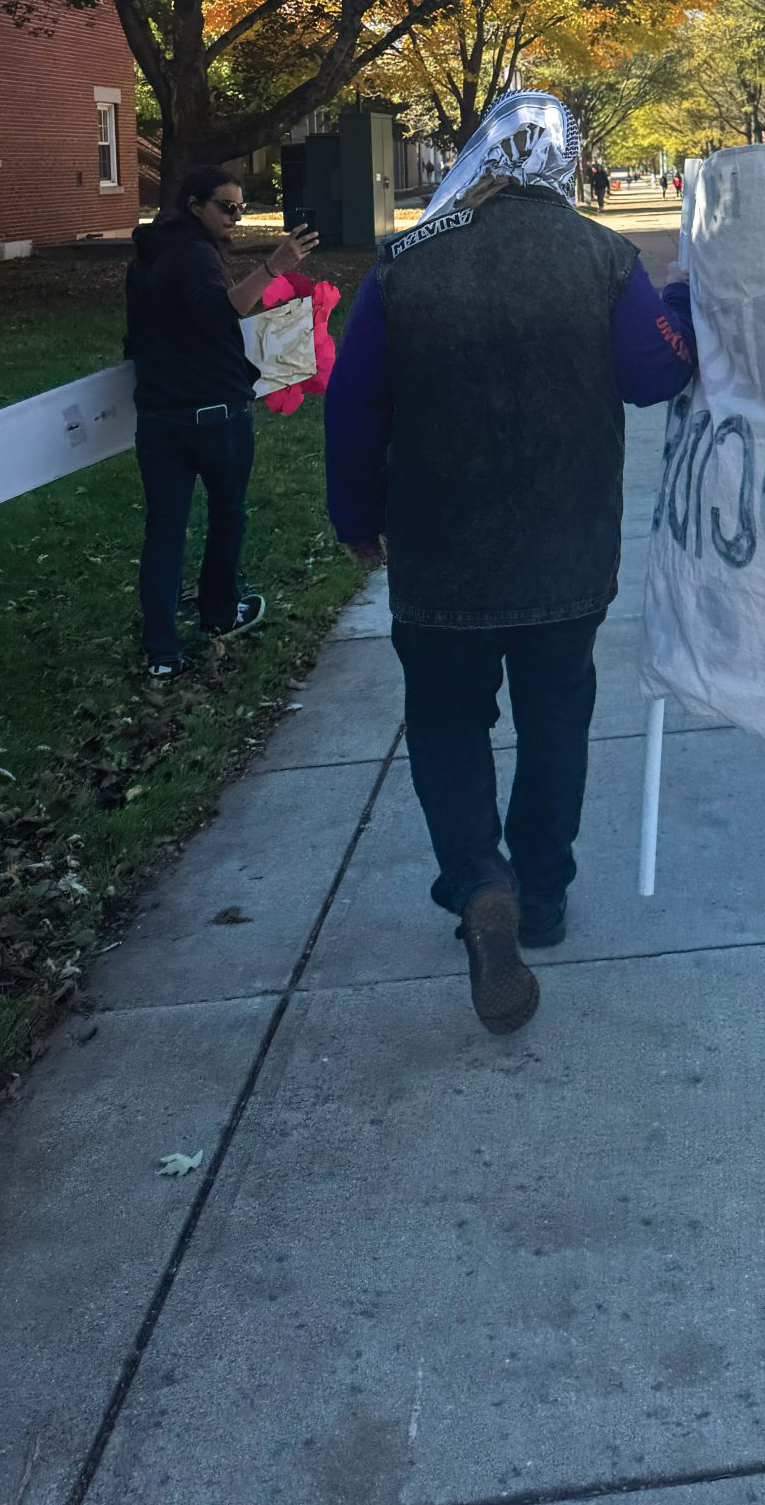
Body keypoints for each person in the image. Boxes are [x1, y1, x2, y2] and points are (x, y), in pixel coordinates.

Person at [322, 93, 697, 1035]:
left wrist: (356, 514)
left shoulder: (406, 263)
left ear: (479, 155)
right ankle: (544, 894)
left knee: (446, 722)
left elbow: (352, 404)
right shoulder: (604, 258)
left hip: (441, 550)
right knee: (556, 717)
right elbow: (655, 376)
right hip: (566, 550)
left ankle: (477, 881)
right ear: (567, 164)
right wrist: (685, 301)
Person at [126, 167, 320, 677]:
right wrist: (274, 268)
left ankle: (161, 652)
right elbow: (220, 311)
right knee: (227, 513)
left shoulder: (148, 254)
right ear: (195, 206)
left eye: (241, 207)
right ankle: (219, 611)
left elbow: (142, 336)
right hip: (213, 416)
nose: (237, 217)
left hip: (157, 418)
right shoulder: (196, 257)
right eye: (226, 207)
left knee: (164, 531)